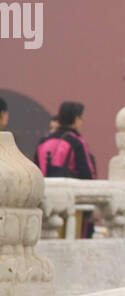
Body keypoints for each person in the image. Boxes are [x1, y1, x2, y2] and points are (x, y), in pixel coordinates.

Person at [35, 101, 97, 236]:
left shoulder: (43, 142)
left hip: (44, 205)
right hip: (70, 209)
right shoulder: (77, 142)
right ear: (76, 119)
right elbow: (88, 175)